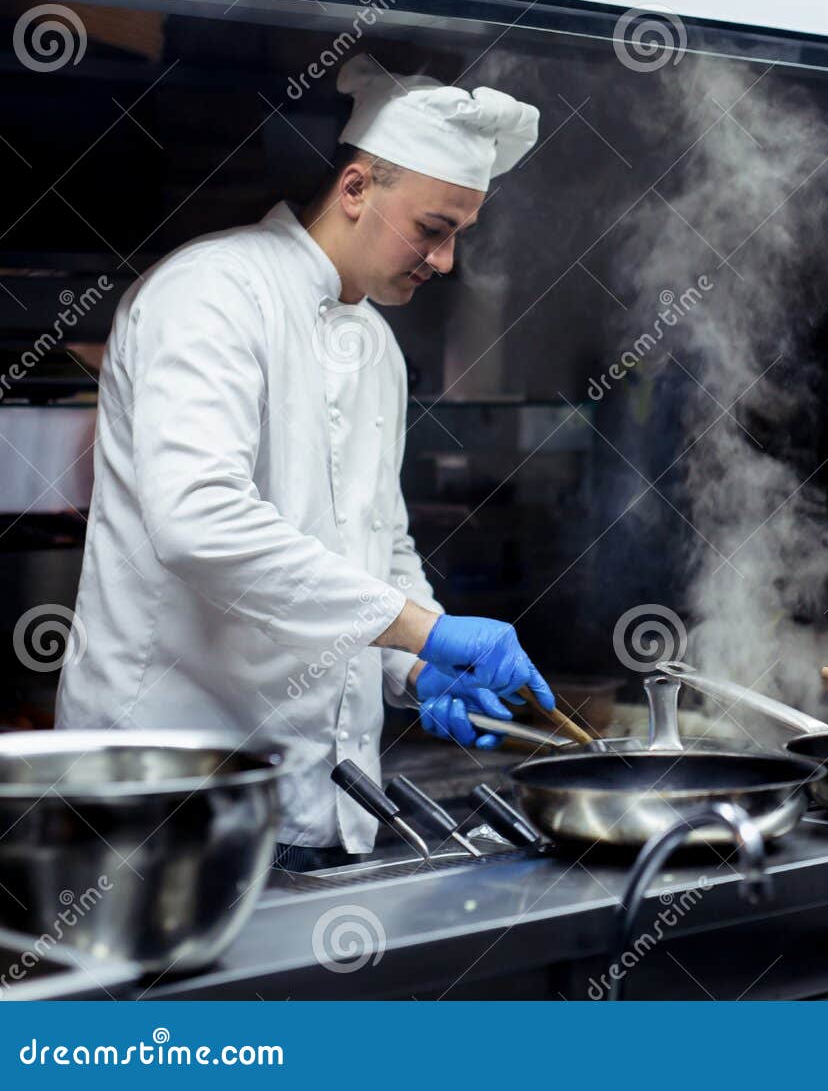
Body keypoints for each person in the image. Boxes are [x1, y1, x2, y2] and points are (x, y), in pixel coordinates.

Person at [56, 54, 554, 872]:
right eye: (433, 229)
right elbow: (200, 523)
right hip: (166, 800)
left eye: (459, 235)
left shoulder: (380, 352)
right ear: (356, 188)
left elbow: (380, 543)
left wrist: (417, 661)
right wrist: (426, 626)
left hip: (325, 801)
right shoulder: (211, 294)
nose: (444, 262)